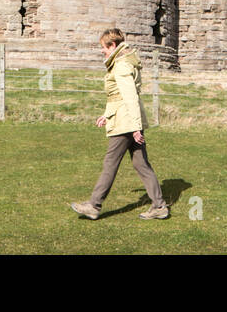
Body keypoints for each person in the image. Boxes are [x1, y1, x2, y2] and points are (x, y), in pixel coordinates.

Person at [70, 28, 169, 220]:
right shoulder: (123, 61)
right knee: (142, 165)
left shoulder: (122, 65)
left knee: (110, 163)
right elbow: (117, 96)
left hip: (126, 123)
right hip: (127, 119)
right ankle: (159, 206)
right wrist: (107, 114)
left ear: (112, 45)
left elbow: (130, 96)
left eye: (103, 47)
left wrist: (135, 127)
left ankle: (93, 205)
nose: (102, 51)